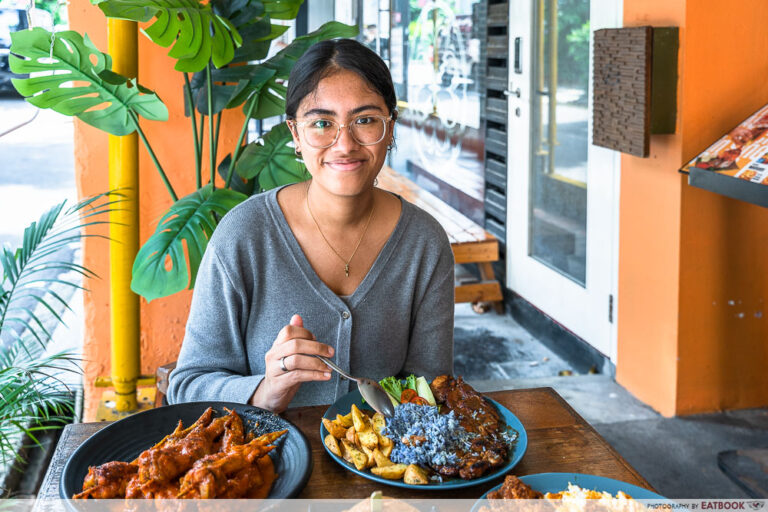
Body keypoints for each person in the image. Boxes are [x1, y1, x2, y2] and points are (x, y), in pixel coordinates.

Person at [167, 39, 454, 413]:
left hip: (387, 470)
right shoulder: (245, 235)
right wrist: (266, 391)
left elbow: (434, 388)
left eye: (365, 121)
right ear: (295, 135)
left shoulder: (424, 243)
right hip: (267, 465)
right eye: (322, 123)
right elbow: (187, 386)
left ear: (391, 127)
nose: (344, 144)